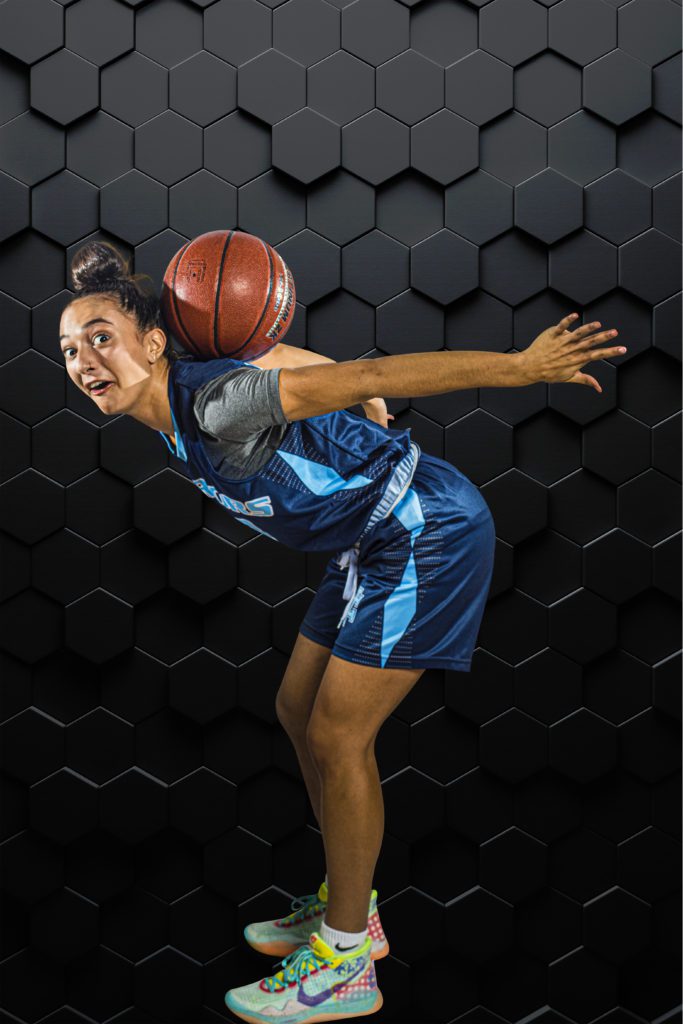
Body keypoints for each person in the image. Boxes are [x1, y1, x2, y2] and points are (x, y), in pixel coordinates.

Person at [58, 241, 625, 1023]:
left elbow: (370, 375)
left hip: (425, 529)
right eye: (70, 348)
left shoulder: (217, 405)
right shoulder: (178, 386)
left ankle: (347, 959)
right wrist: (346, 397)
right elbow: (275, 351)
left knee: (336, 737)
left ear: (154, 346)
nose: (84, 359)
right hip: (367, 537)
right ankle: (349, 899)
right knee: (296, 709)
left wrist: (520, 368)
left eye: (99, 338)